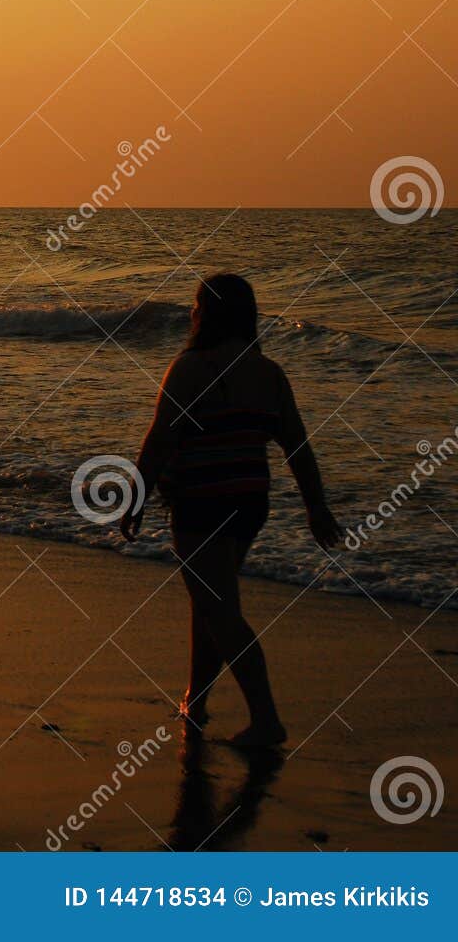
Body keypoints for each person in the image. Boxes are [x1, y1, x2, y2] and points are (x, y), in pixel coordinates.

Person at [123, 273, 342, 747]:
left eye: (197, 305)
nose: (192, 313)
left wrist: (136, 497)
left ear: (208, 314)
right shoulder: (269, 374)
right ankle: (195, 700)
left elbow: (159, 439)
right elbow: (297, 447)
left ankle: (266, 719)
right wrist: (315, 506)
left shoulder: (189, 367)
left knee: (219, 611)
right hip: (248, 503)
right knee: (212, 604)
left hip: (202, 501)